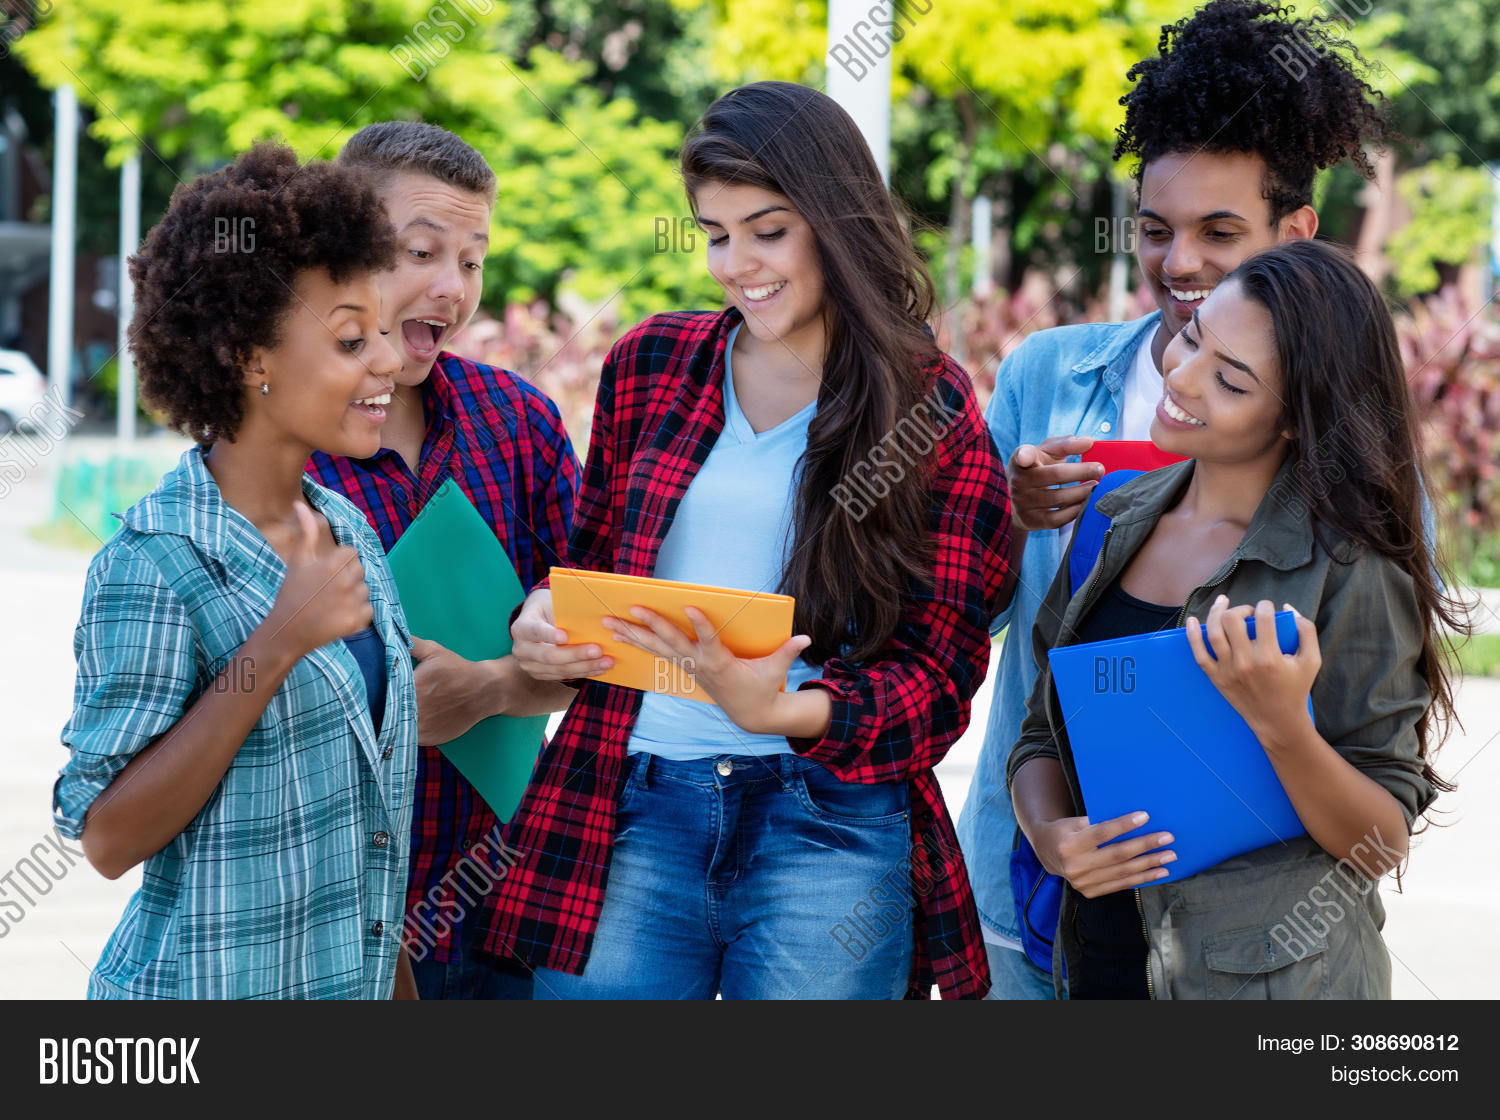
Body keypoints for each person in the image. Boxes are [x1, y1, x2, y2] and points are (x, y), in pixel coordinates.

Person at [476, 81, 1011, 999]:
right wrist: (542, 620)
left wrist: (783, 712)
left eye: (768, 231)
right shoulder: (649, 363)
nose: (735, 264)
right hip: (633, 799)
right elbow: (593, 568)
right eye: (716, 234)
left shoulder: (929, 400)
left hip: (828, 820)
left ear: (837, 223)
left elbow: (942, 669)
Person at [955, 0, 1400, 998]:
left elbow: (1376, 782)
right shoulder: (1049, 378)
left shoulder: (1346, 451)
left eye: (1220, 231)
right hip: (1034, 892)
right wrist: (1009, 519)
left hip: (1242, 950)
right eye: (1156, 230)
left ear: (1296, 232)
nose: (1181, 264)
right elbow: (973, 622)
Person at [1009, 238, 1464, 998]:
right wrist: (1052, 837)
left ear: (1295, 420)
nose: (1181, 378)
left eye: (1229, 380)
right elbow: (1038, 734)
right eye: (1191, 339)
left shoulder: (1350, 564)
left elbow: (1380, 840)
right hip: (1098, 968)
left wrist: (1283, 725)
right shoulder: (1115, 516)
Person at [57, 142, 418, 999]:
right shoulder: (155, 560)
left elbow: (370, 835)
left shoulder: (348, 531)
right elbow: (107, 838)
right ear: (249, 359)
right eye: (350, 339)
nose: (391, 361)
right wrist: (281, 641)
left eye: (386, 333)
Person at [305, 121, 582, 1000]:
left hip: (505, 900)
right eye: (421, 252)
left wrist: (495, 687)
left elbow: (596, 638)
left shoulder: (521, 425)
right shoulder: (278, 446)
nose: (451, 288)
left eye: (473, 260)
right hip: (328, 912)